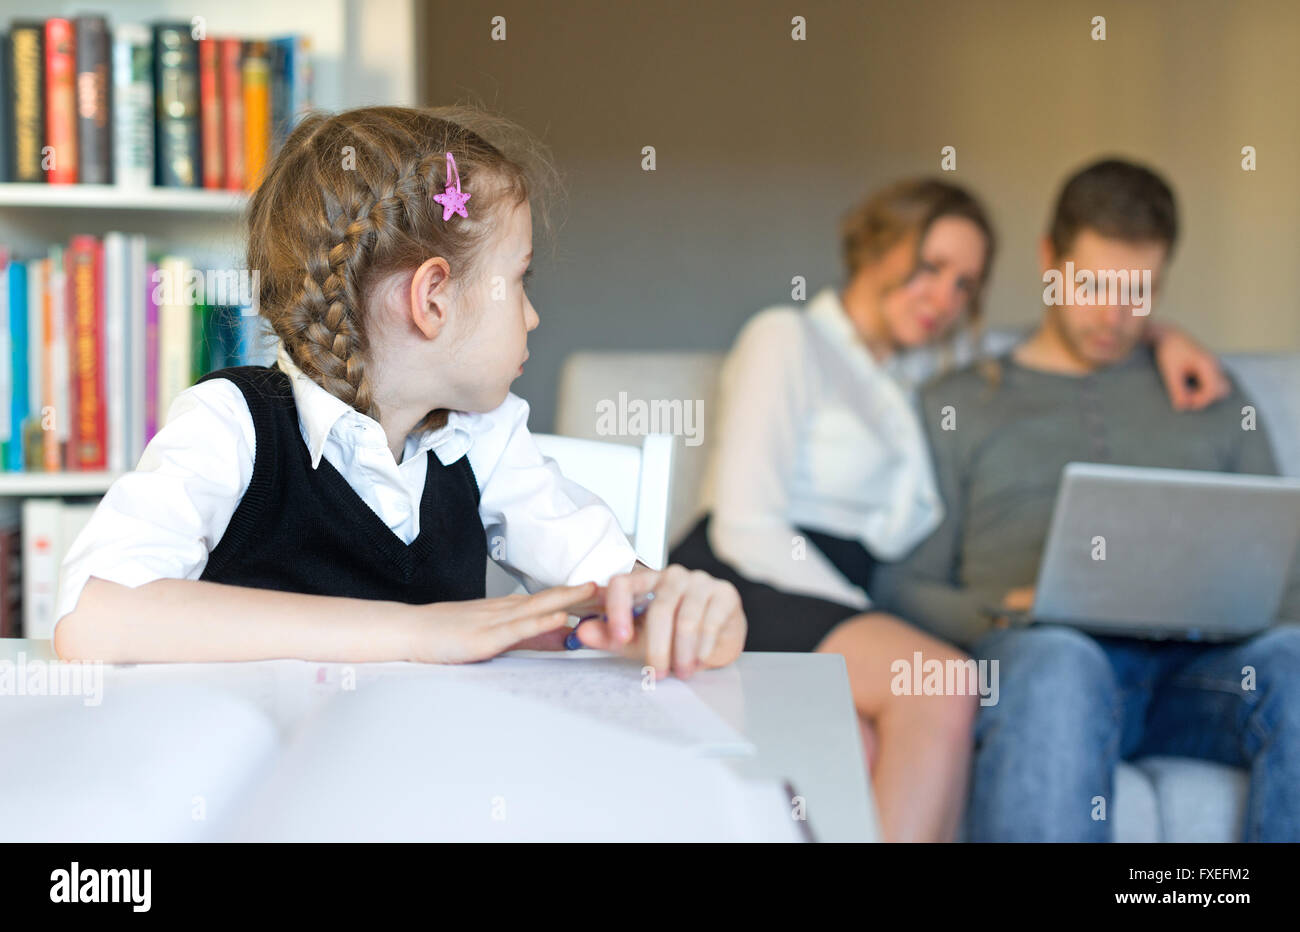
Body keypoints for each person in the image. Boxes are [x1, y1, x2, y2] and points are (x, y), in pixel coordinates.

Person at [53, 105, 745, 678]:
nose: (533, 316)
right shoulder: (232, 423)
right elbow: (94, 615)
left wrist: (693, 613)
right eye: (521, 280)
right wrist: (415, 633)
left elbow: (623, 600)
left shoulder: (487, 438)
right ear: (433, 298)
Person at [669, 177, 1226, 841]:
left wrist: (1164, 337)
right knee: (938, 680)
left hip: (837, 596)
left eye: (965, 284)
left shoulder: (922, 368)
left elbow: (1078, 328)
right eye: (929, 267)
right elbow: (743, 523)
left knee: (868, 751)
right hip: (751, 573)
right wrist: (865, 615)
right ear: (876, 246)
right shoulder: (787, 336)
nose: (943, 298)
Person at [874, 157, 1300, 842]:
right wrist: (1005, 610)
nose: (1115, 315)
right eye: (1095, 283)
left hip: (1196, 678)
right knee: (1061, 661)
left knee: (1295, 663)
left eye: (1142, 291)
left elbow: (1289, 576)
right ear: (1050, 259)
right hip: (1043, 663)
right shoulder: (956, 404)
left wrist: (1235, 609)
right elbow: (900, 584)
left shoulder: (1209, 394)